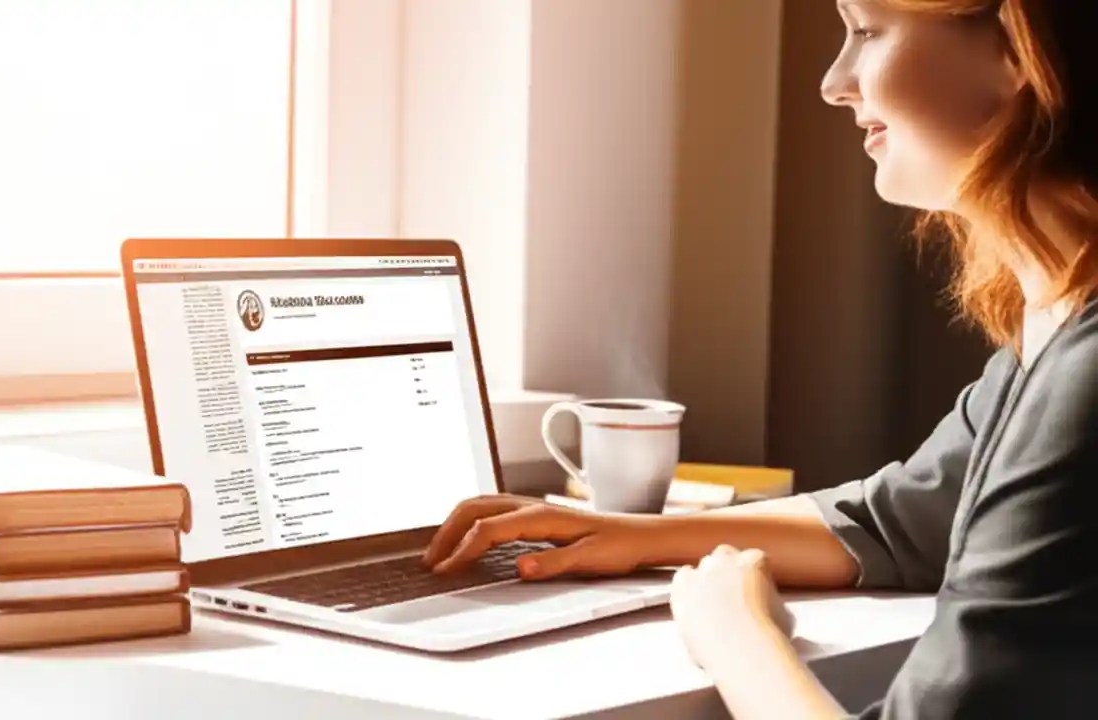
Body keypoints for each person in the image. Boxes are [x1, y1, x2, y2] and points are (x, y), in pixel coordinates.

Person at [423, 1, 1098, 717]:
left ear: (1018, 49)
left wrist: (736, 634)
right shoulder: (1050, 336)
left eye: (867, 32)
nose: (834, 82)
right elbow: (902, 520)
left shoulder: (1083, 375)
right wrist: (629, 537)